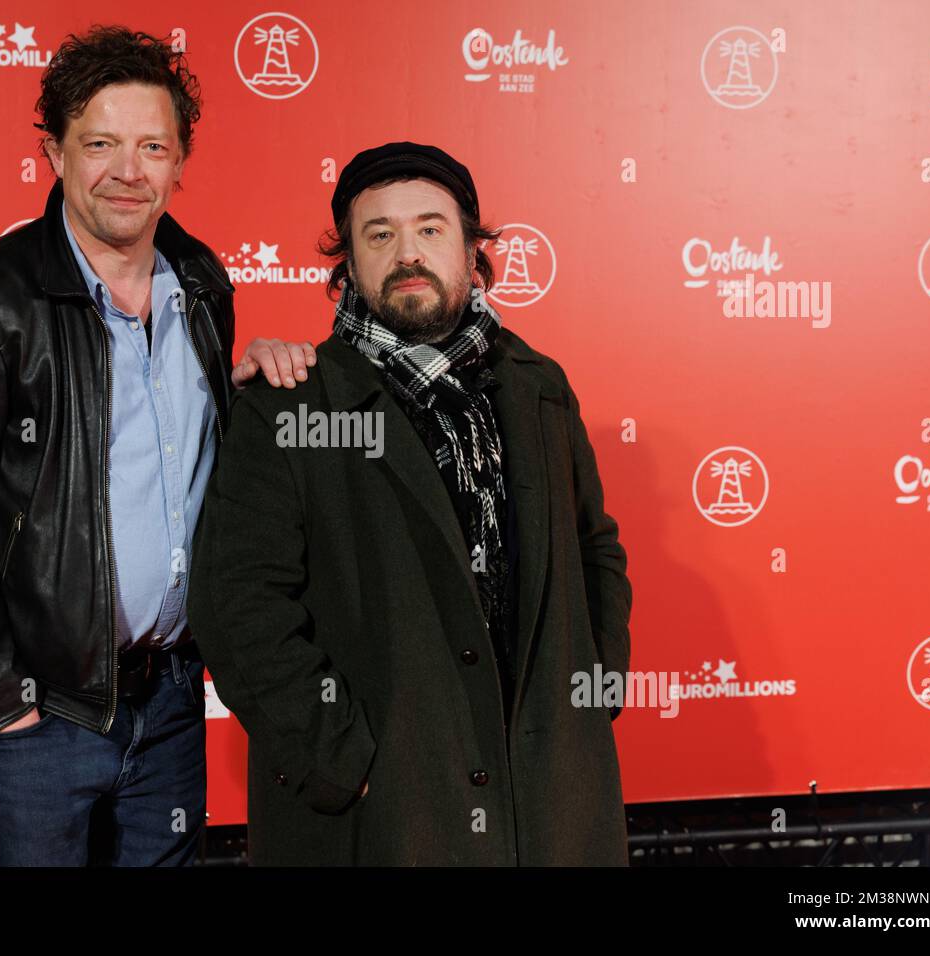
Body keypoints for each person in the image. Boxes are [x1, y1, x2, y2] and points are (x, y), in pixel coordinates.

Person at [0, 25, 313, 866]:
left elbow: (193, 460)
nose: (129, 170)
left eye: (153, 145)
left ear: (181, 161)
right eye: (101, 143)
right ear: (54, 153)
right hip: (43, 721)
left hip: (174, 705)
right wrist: (1, 706)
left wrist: (252, 377)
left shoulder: (203, 282)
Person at [187, 142, 634, 865]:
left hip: (553, 805)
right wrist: (340, 756)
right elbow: (238, 606)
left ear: (470, 248)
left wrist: (591, 696)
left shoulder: (540, 386)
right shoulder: (289, 406)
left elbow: (595, 549)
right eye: (380, 234)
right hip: (388, 819)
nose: (408, 253)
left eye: (430, 229)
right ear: (349, 265)